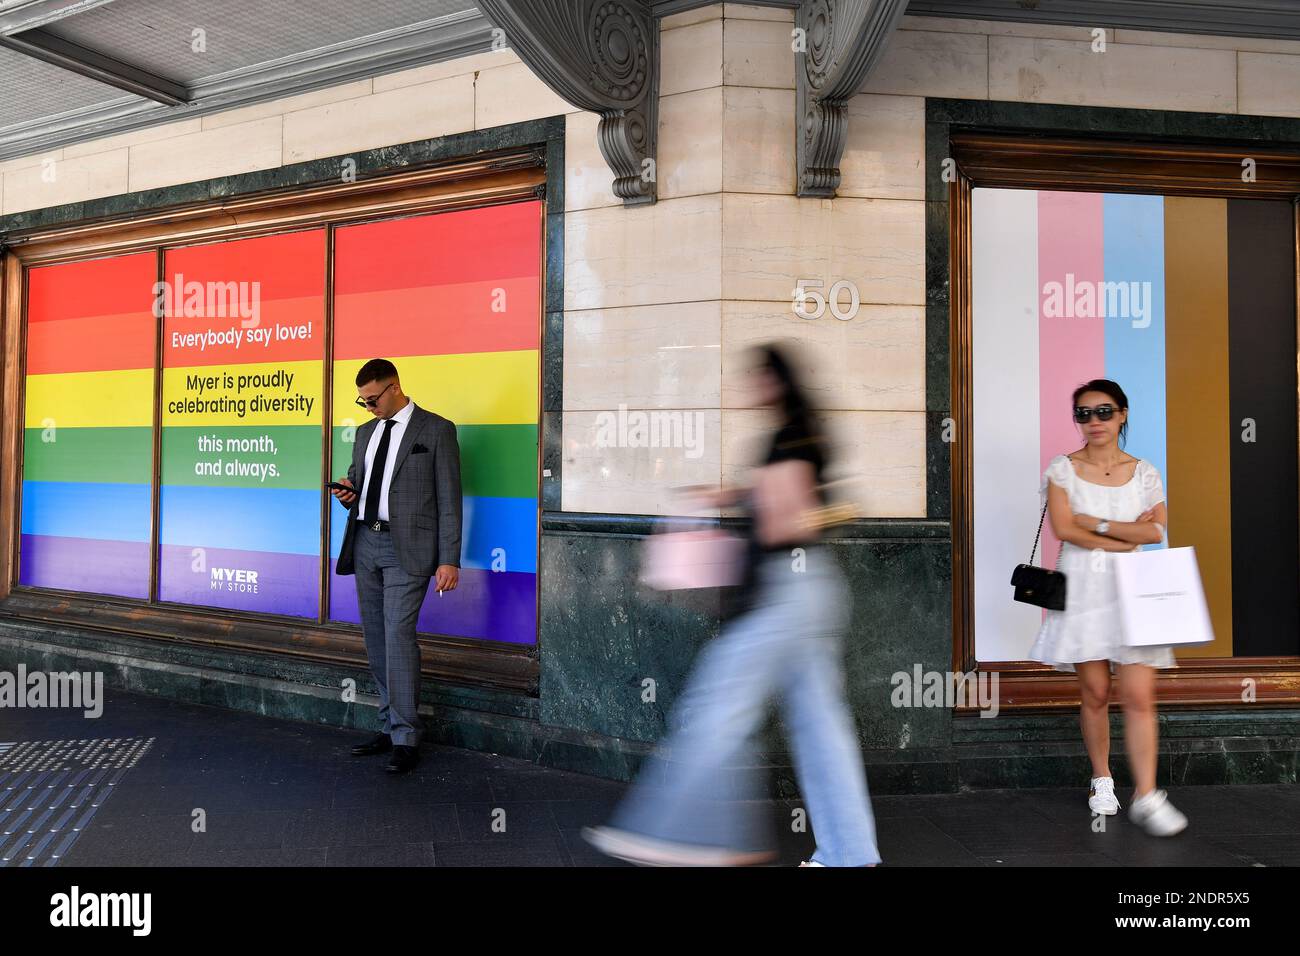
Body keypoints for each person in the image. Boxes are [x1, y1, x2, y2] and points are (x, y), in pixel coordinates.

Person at [584, 342, 880, 866]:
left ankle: (691, 835)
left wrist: (770, 507)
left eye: (754, 378)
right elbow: (797, 502)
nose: (747, 388)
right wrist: (735, 495)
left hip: (787, 593)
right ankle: (851, 854)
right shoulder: (800, 434)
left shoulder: (787, 438)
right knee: (820, 730)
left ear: (774, 382)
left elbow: (789, 521)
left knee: (715, 705)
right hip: (815, 588)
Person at [1030, 378, 1187, 836]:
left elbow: (1155, 532)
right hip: (1082, 591)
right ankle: (1102, 778)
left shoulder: (1144, 472)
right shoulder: (1062, 468)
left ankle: (1148, 794)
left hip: (1133, 591)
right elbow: (1065, 530)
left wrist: (1095, 522)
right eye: (1083, 413)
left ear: (1122, 415)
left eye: (1103, 411)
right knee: (1096, 692)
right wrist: (1123, 534)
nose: (1093, 421)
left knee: (1139, 695)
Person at [331, 359, 462, 774]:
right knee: (376, 638)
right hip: (365, 541)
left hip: (410, 549)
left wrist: (449, 559)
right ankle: (388, 725)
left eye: (372, 399)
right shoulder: (366, 433)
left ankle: (406, 736)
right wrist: (349, 491)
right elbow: (359, 480)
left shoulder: (437, 430)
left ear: (394, 386)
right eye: (363, 401)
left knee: (399, 636)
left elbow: (450, 500)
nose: (368, 408)